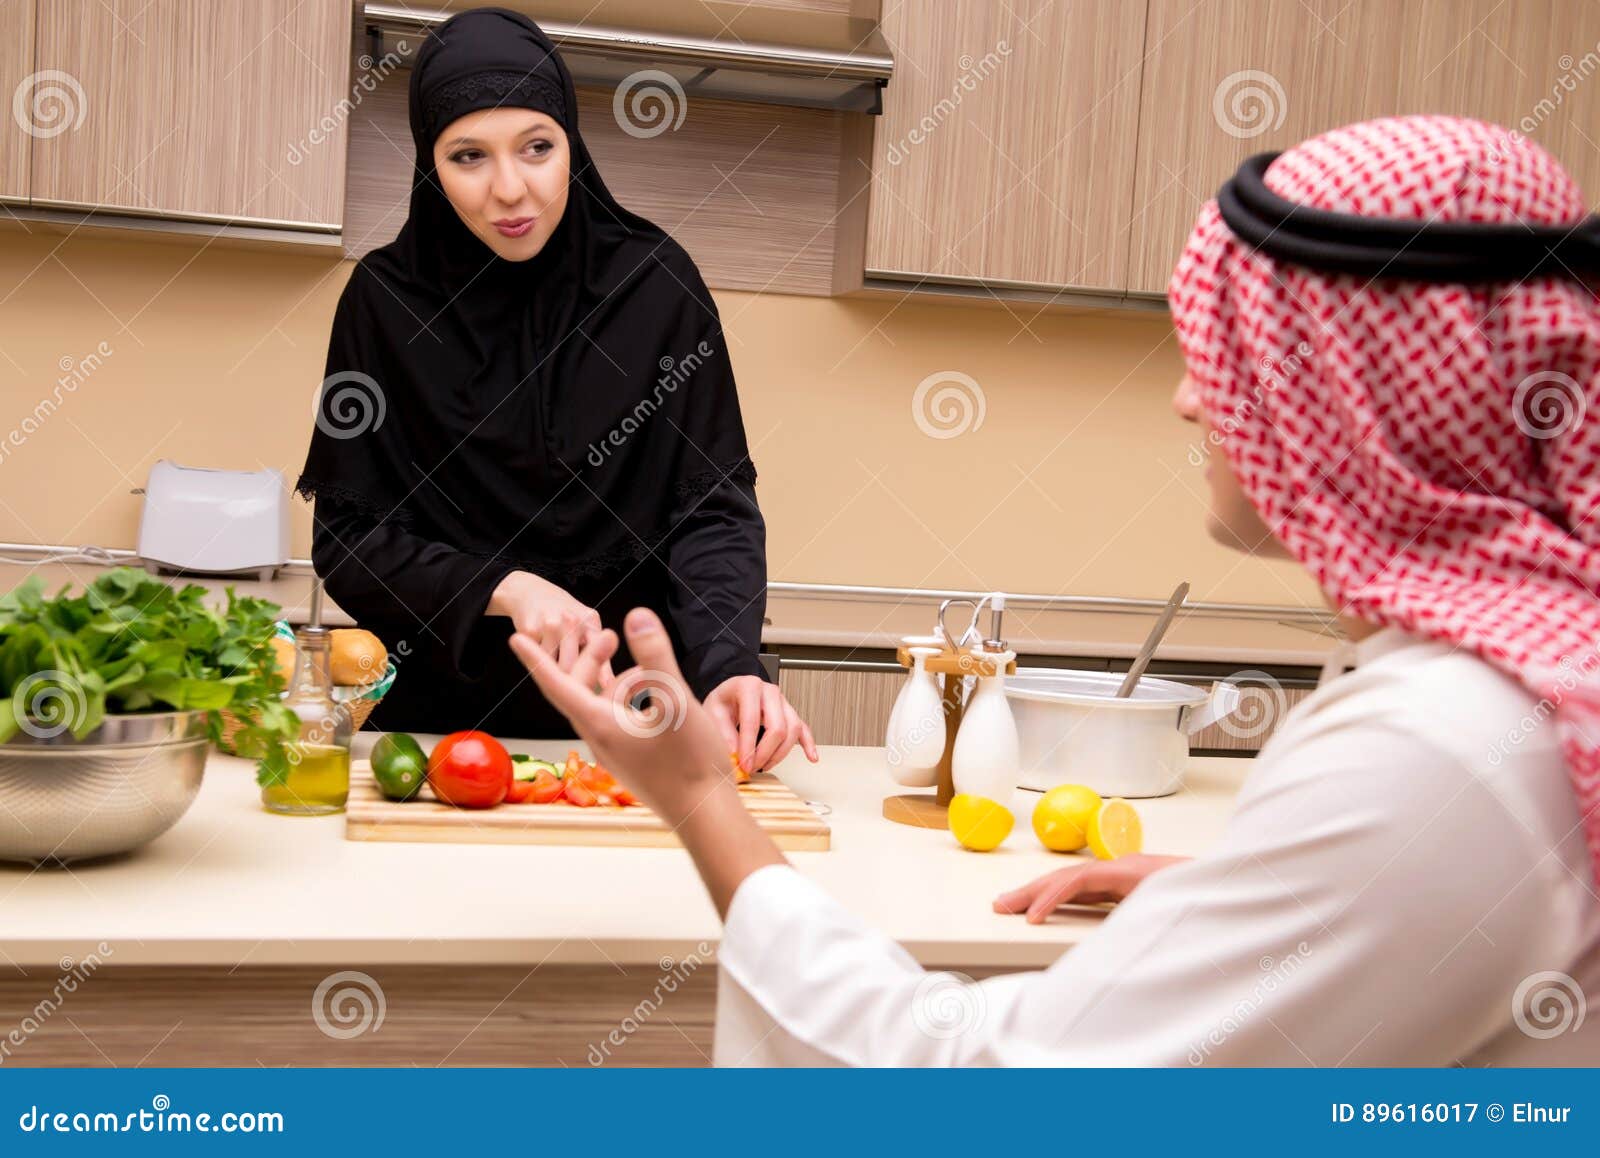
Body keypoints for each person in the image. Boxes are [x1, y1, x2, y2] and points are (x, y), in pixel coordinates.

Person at [511, 116, 1600, 1065]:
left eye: (1227, 356)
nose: (1188, 401)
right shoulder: (1518, 695)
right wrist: (1235, 903)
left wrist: (700, 799)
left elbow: (982, 1091)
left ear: (1355, 396)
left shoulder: (1430, 752)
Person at [294, 8, 816, 772]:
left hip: (638, 725)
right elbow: (349, 541)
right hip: (444, 742)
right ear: (429, 163)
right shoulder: (384, 303)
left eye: (537, 147)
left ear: (572, 139)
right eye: (469, 156)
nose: (511, 189)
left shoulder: (657, 286)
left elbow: (712, 512)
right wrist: (506, 587)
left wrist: (731, 665)